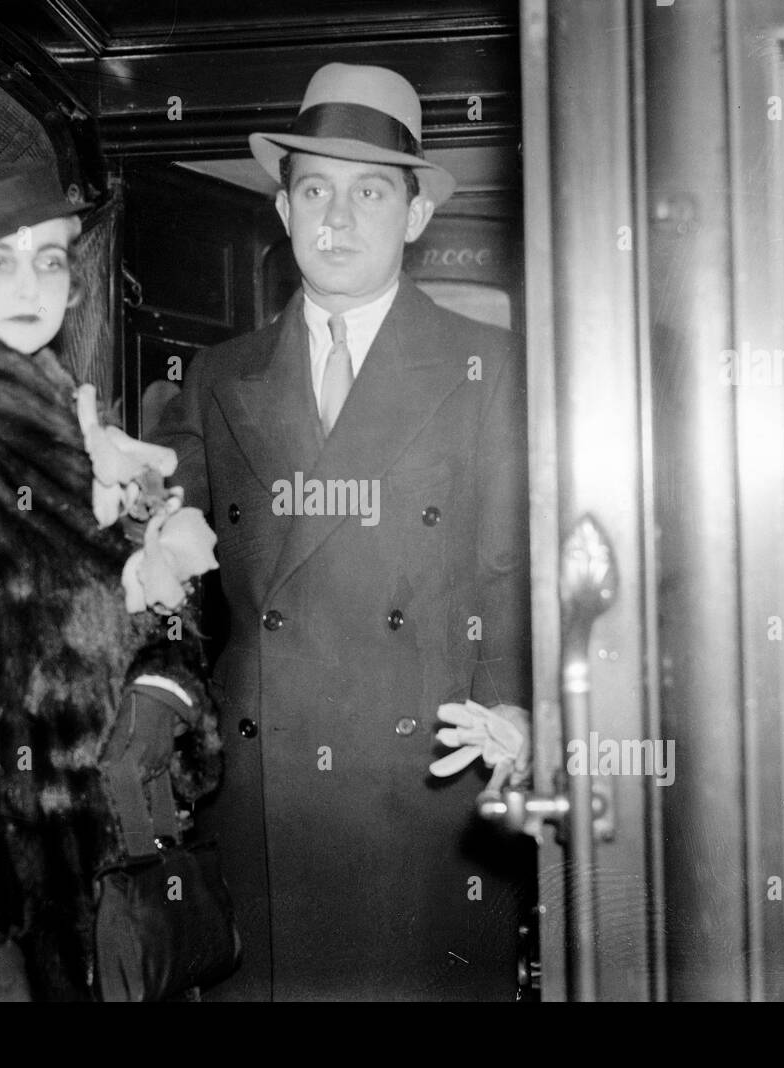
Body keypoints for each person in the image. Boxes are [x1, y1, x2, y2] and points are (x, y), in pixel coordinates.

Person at [151, 64, 535, 1001]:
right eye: (315, 189)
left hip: (426, 782)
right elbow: (166, 576)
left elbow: (509, 568)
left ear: (413, 216)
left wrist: (520, 713)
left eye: (370, 192)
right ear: (283, 211)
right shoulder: (216, 375)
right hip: (260, 799)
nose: (338, 217)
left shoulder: (491, 367)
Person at [0, 162, 223, 1001]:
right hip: (20, 861)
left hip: (106, 823)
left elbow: (137, 604)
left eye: (49, 260)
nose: (32, 283)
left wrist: (162, 668)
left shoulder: (74, 412)